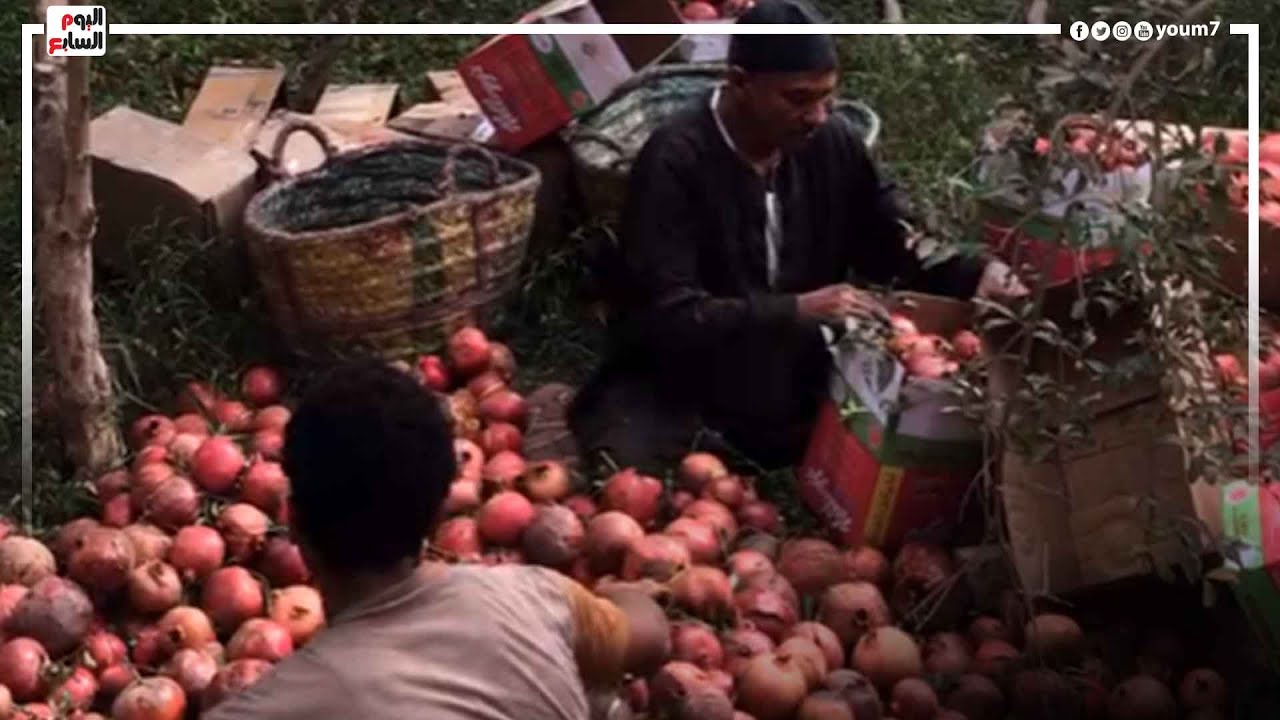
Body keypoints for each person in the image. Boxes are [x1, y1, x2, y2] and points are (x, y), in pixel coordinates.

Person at [568, 0, 1027, 474]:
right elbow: (668, 313)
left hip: (793, 363)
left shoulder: (832, 143)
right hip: (691, 369)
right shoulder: (674, 160)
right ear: (740, 84)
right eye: (798, 99)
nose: (818, 116)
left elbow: (891, 242)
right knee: (628, 452)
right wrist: (794, 310)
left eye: (827, 97)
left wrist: (977, 272)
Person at [202, 360, 638, 720]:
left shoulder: (267, 710)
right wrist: (632, 592)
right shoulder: (538, 600)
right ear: (439, 513)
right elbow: (648, 632)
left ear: (293, 522)